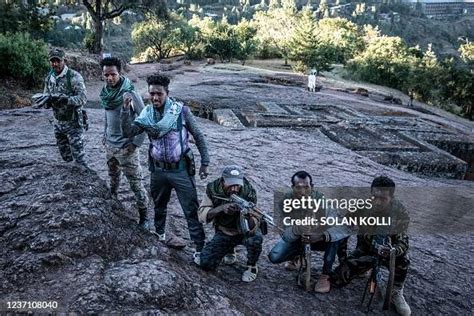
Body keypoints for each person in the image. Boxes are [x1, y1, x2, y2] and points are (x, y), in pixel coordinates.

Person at [121, 74, 209, 260]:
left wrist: (205, 162)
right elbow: (128, 132)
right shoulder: (146, 114)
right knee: (159, 206)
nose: (155, 98)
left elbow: (199, 136)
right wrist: (125, 110)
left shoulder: (181, 111)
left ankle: (200, 247)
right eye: (152, 93)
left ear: (167, 93)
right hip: (159, 171)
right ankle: (159, 233)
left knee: (190, 210)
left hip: (181, 170)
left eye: (159, 94)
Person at [334, 176, 411, 316]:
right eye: (375, 197)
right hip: (366, 250)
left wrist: (393, 250)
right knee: (338, 279)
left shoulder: (400, 212)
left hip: (388, 253)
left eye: (383, 199)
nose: (377, 202)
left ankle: (395, 291)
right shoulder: (362, 207)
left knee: (403, 259)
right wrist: (343, 259)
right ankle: (364, 270)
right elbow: (342, 229)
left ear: (391, 198)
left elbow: (403, 241)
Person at [268, 171, 349, 293]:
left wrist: (321, 235)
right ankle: (298, 258)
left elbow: (344, 228)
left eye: (306, 187)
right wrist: (298, 229)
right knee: (275, 256)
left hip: (320, 239)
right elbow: (285, 234)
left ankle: (325, 275)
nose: (303, 191)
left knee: (335, 238)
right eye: (298, 187)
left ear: (312, 187)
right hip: (300, 238)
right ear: (292, 188)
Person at [99, 57, 150, 229]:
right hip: (110, 146)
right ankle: (113, 199)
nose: (109, 78)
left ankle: (144, 216)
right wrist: (105, 134)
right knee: (113, 177)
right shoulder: (105, 93)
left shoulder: (129, 93)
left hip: (126, 148)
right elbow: (107, 115)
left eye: (112, 74)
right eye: (106, 74)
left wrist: (135, 144)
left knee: (135, 183)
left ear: (119, 73)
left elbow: (144, 119)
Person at [197, 165, 263, 282]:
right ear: (222, 180)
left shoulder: (249, 192)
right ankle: (229, 250)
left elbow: (254, 224)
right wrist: (221, 208)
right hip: (224, 231)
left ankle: (252, 266)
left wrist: (248, 217)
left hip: (243, 232)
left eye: (237, 185)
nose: (234, 189)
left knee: (256, 238)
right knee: (206, 263)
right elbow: (202, 215)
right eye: (231, 184)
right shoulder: (213, 189)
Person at [42, 48, 88, 167]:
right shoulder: (49, 78)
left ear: (64, 61)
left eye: (58, 61)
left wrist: (67, 100)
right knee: (65, 156)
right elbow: (45, 97)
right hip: (58, 123)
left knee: (79, 158)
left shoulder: (74, 77)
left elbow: (83, 98)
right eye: (52, 61)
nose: (55, 64)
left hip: (74, 124)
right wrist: (44, 101)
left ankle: (85, 181)